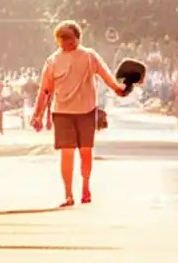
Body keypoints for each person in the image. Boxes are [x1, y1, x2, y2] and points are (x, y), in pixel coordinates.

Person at [30, 21, 130, 207]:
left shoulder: (89, 56)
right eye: (62, 39)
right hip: (62, 113)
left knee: (86, 152)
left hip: (86, 111)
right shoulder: (53, 61)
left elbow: (106, 75)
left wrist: (118, 88)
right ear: (57, 40)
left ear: (78, 37)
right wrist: (37, 114)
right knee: (66, 153)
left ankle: (85, 187)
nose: (66, 43)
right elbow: (45, 90)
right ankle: (68, 194)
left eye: (69, 38)